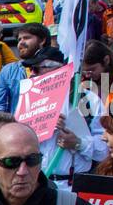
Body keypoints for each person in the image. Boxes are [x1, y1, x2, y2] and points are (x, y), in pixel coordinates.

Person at [32, 52, 108, 192]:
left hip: (73, 186)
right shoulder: (29, 102)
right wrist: (42, 128)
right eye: (31, 69)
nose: (32, 74)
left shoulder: (89, 101)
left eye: (37, 69)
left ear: (59, 70)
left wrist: (78, 143)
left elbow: (104, 150)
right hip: (37, 185)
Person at [0, 23, 52, 113]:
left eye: (26, 38)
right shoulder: (8, 71)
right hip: (17, 125)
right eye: (19, 39)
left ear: (42, 40)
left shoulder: (57, 68)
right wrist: (6, 124)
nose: (21, 43)